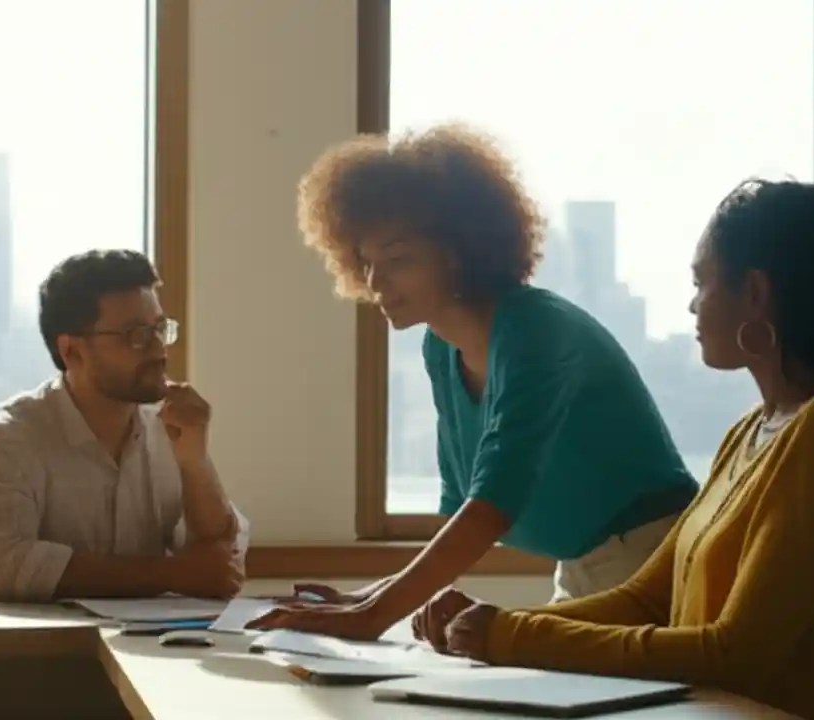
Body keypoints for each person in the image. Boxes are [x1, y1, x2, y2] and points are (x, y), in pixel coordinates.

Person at [432, 179, 814, 720]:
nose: (691, 304)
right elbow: (647, 600)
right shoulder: (750, 433)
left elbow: (734, 654)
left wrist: (511, 636)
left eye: (701, 281)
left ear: (754, 293)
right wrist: (494, 624)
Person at [250, 124, 697, 641]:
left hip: (653, 566)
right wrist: (365, 597)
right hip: (583, 568)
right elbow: (459, 504)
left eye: (397, 261)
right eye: (366, 262)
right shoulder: (440, 348)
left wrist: (371, 615)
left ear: (458, 251)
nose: (375, 284)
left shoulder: (535, 329)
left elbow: (492, 504)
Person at [0, 249, 249, 602]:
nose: (158, 351)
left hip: (154, 647)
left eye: (159, 330)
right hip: (38, 651)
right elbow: (0, 566)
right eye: (135, 334)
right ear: (72, 351)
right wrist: (171, 574)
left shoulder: (168, 427)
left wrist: (195, 462)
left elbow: (221, 559)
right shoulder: (4, 440)